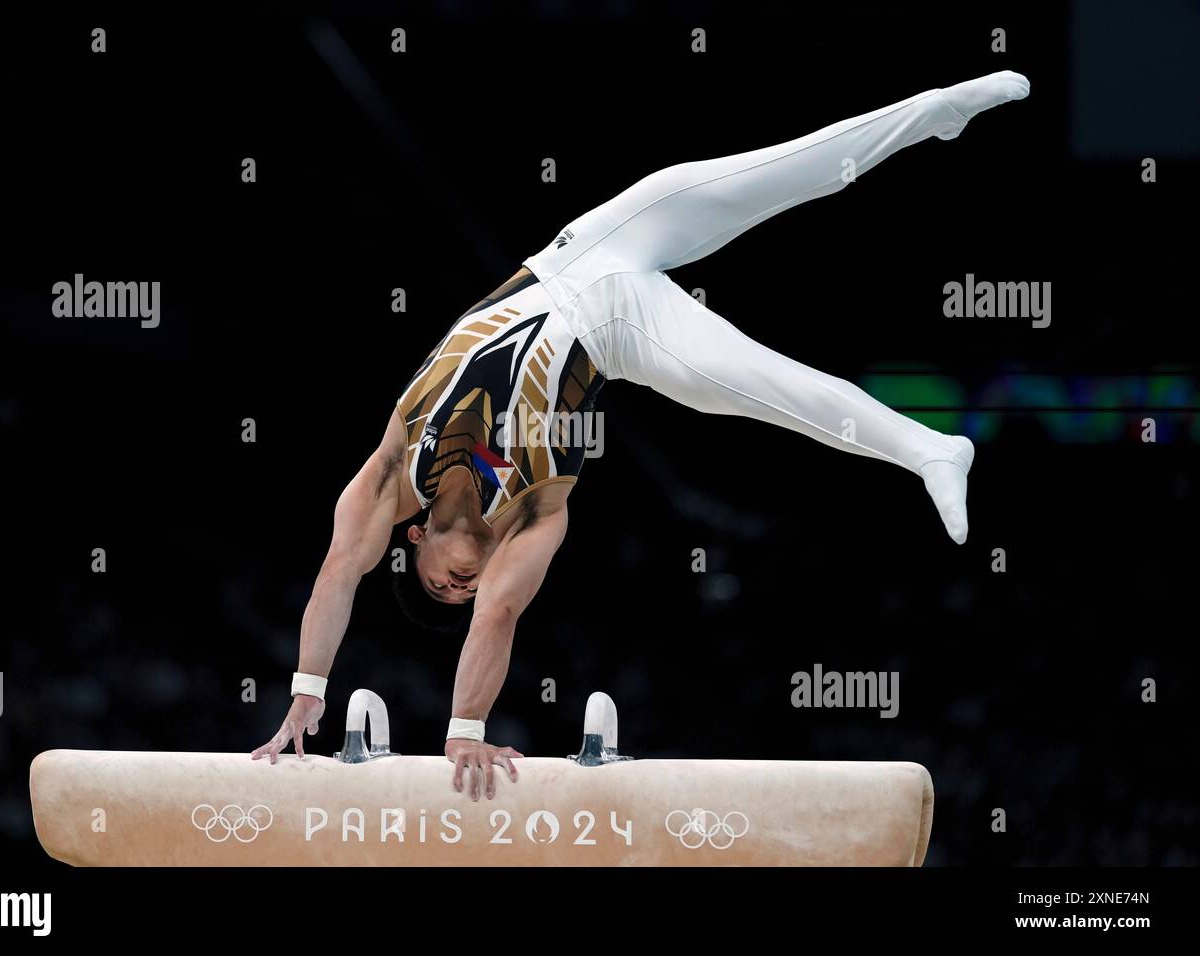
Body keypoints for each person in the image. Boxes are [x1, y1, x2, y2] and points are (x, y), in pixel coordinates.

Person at [252, 71, 1031, 799]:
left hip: (585, 248)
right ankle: (928, 448)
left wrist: (305, 693)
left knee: (784, 168)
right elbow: (496, 615)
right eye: (457, 593)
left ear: (413, 535)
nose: (461, 588)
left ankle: (934, 112)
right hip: (624, 332)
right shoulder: (536, 515)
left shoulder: (393, 469)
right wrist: (465, 733)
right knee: (767, 388)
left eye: (439, 583)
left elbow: (335, 575)